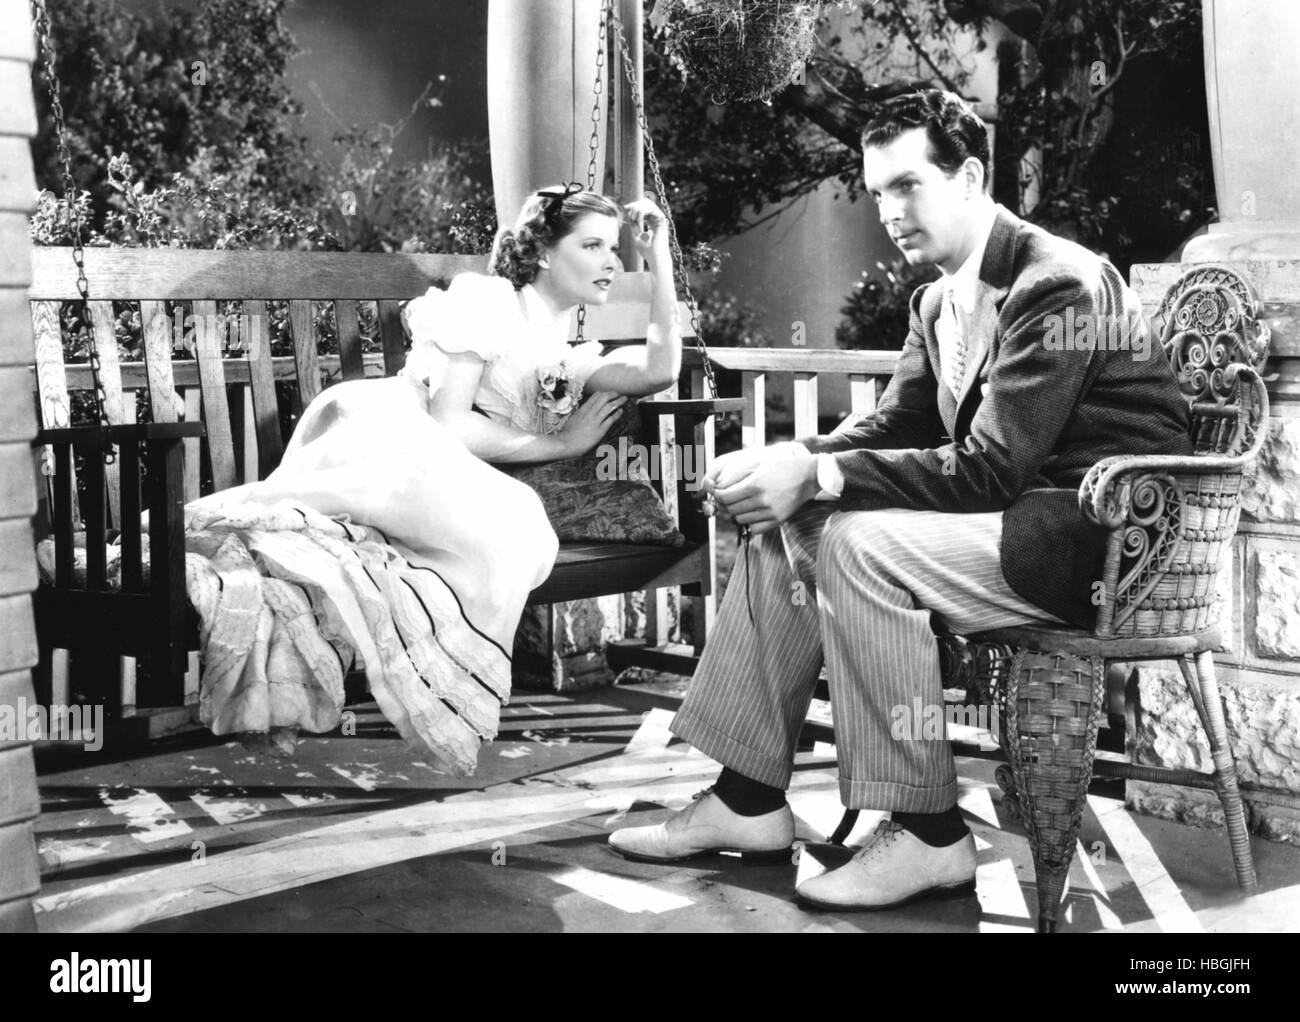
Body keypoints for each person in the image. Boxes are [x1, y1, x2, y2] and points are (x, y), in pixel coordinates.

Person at [608, 90, 1193, 911]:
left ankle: (927, 832)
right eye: (877, 191)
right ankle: (748, 799)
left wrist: (819, 478)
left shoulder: (1055, 283)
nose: (889, 211)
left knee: (851, 541)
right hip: (1013, 522)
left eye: (908, 185)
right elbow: (894, 426)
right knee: (786, 524)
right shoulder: (937, 299)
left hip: (1095, 537)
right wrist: (789, 460)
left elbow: (992, 465)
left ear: (970, 176)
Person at [182, 185, 681, 774]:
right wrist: (560, 444)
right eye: (593, 245)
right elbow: (446, 423)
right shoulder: (489, 302)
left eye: (616, 250)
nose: (610, 263)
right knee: (516, 518)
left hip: (433, 462)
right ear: (545, 253)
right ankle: (190, 527)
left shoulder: (566, 354)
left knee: (510, 530)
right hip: (386, 427)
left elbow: (658, 369)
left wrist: (660, 261)